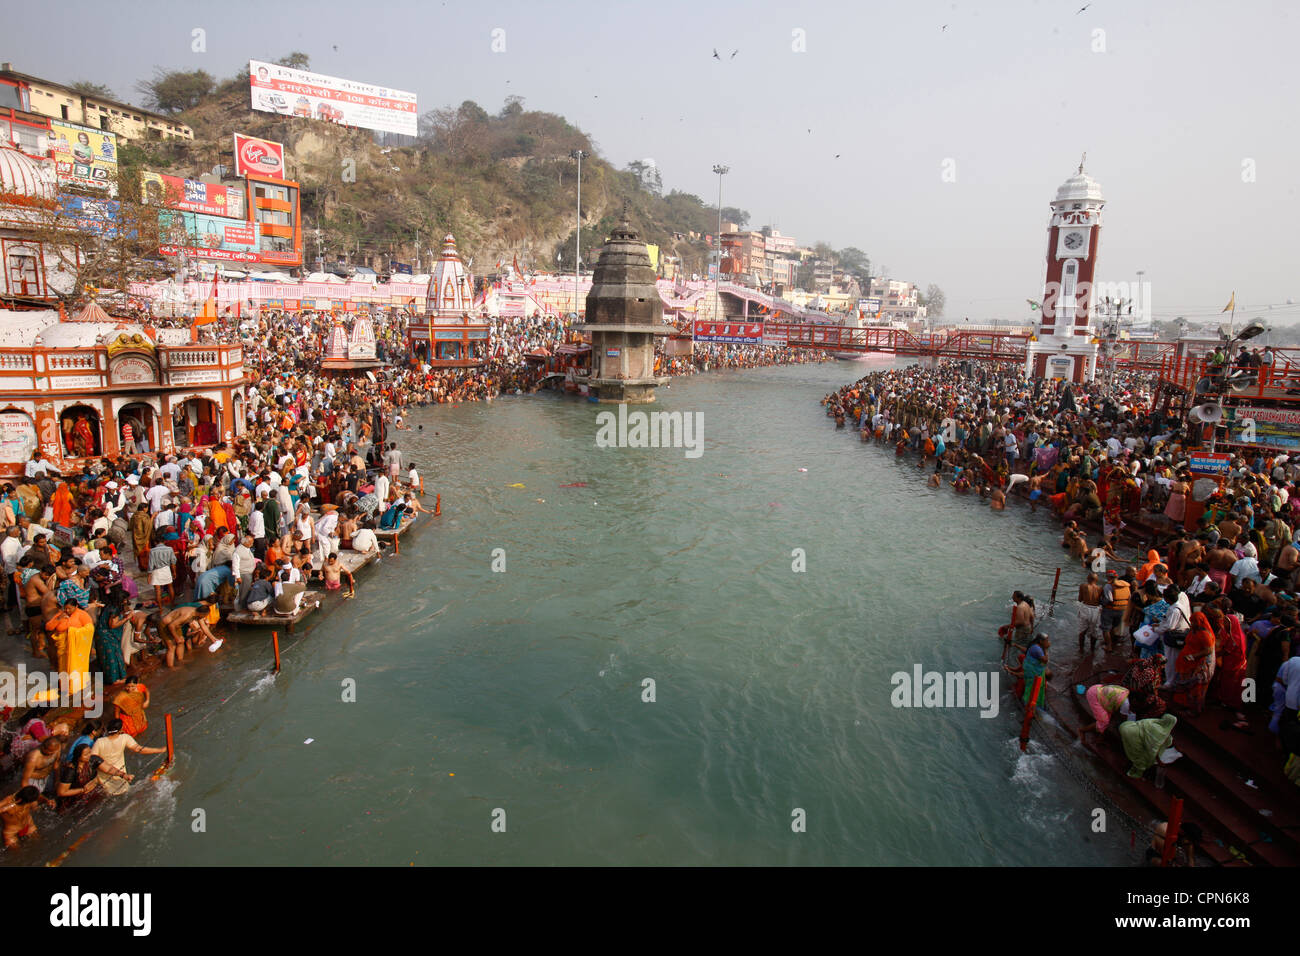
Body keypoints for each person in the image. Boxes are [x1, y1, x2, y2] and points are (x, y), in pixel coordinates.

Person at [90, 719, 166, 796]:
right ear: (120, 729)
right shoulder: (124, 738)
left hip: (103, 778)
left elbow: (92, 760)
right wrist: (159, 750)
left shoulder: (99, 742)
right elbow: (139, 749)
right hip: (121, 776)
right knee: (124, 794)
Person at [1077, 572, 1102, 654]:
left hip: (1085, 609)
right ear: (1097, 580)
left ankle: (1081, 649)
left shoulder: (1083, 586)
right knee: (1094, 631)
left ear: (1087, 579)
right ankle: (1092, 649)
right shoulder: (1100, 588)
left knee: (1082, 631)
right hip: (1096, 610)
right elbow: (1101, 601)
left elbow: (1080, 599)